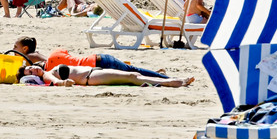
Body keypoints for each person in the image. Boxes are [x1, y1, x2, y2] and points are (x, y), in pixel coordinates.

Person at [12, 37, 172, 79]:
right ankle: (158, 74)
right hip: (98, 58)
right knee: (133, 71)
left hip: (98, 66)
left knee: (134, 73)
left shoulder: (52, 70)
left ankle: (164, 77)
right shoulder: (55, 55)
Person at [21, 63, 193, 88]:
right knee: (132, 77)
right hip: (91, 77)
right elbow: (55, 82)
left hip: (93, 73)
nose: (33, 69)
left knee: (133, 75)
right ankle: (173, 82)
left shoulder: (49, 68)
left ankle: (169, 81)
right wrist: (63, 83)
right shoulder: (47, 75)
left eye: (30, 67)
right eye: (29, 72)